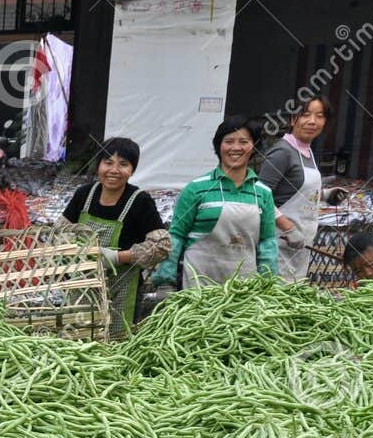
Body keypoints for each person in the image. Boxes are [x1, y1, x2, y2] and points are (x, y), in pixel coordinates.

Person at [60, 137, 170, 338]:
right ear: (99, 165)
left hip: (122, 290)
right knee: (78, 339)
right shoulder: (84, 194)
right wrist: (72, 251)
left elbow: (162, 246)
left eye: (123, 164)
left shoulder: (140, 201)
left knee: (116, 343)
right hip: (81, 286)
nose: (114, 170)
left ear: (132, 170)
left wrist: (117, 257)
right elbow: (60, 231)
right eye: (108, 162)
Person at [152, 116, 277, 289]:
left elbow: (267, 243)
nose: (236, 147)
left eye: (243, 141)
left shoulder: (263, 193)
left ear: (253, 146)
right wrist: (165, 280)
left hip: (244, 290)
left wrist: (269, 283)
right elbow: (176, 236)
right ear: (219, 146)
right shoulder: (195, 189)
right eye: (229, 141)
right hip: (199, 288)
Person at [259, 95, 330, 282]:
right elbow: (259, 196)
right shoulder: (282, 152)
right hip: (278, 243)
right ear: (293, 119)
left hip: (300, 245)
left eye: (320, 116)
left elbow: (296, 191)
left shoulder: (306, 151)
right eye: (306, 114)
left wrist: (325, 195)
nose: (312, 121)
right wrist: (287, 228)